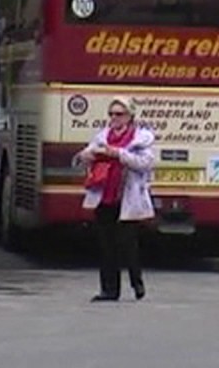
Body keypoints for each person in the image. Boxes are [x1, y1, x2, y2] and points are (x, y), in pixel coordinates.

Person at [74, 97, 156, 301]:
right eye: (111, 114)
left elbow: (146, 163)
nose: (114, 118)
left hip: (127, 196)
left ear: (129, 116)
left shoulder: (141, 139)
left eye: (119, 114)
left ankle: (136, 282)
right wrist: (86, 155)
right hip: (104, 195)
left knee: (128, 244)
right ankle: (109, 290)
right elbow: (82, 157)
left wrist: (119, 154)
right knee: (106, 244)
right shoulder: (102, 136)